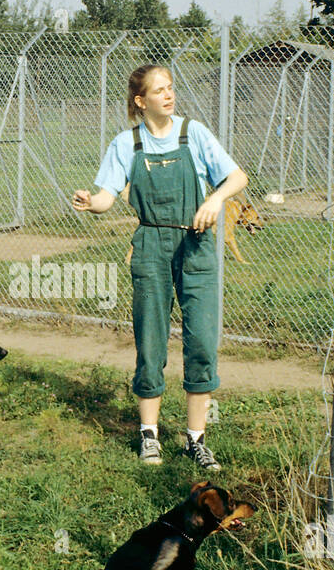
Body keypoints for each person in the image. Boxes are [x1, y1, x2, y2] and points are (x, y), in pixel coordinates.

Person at [72, 65, 248, 469]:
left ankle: (196, 439)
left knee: (202, 340)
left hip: (196, 244)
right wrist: (89, 201)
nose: (169, 96)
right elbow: (106, 197)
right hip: (151, 245)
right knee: (150, 342)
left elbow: (237, 176)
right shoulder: (127, 144)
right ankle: (149, 436)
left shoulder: (195, 133)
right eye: (159, 91)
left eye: (170, 89)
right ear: (141, 101)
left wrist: (215, 200)